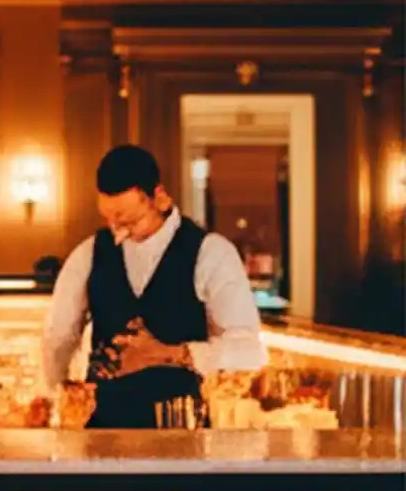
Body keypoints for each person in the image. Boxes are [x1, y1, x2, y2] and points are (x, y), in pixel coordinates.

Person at [36, 145, 266, 428]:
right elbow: (59, 335)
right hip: (104, 432)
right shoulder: (89, 253)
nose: (118, 233)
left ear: (159, 198)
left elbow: (249, 350)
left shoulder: (211, 253)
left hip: (181, 431)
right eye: (109, 220)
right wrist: (52, 396)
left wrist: (170, 353)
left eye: (130, 221)